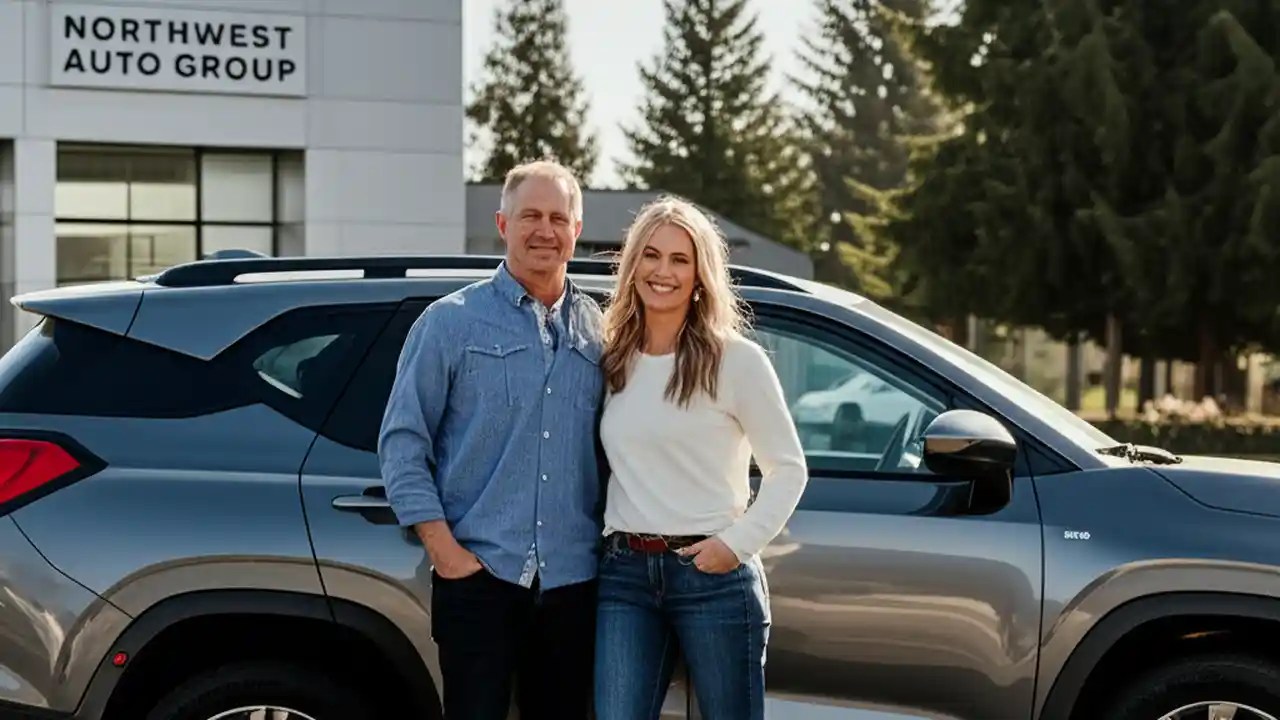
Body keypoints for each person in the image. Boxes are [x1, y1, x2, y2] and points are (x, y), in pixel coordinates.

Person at [378, 159, 606, 720]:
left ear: (576, 231)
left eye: (558, 218)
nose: (544, 230)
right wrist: (445, 552)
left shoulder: (598, 330)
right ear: (503, 224)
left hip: (574, 585)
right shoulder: (449, 323)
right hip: (480, 580)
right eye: (530, 215)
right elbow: (403, 442)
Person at [593, 195, 809, 719]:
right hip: (625, 575)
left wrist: (734, 547)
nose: (662, 271)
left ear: (700, 276)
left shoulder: (735, 361)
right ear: (632, 264)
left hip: (712, 576)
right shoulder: (610, 356)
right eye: (650, 255)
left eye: (679, 259)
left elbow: (788, 469)